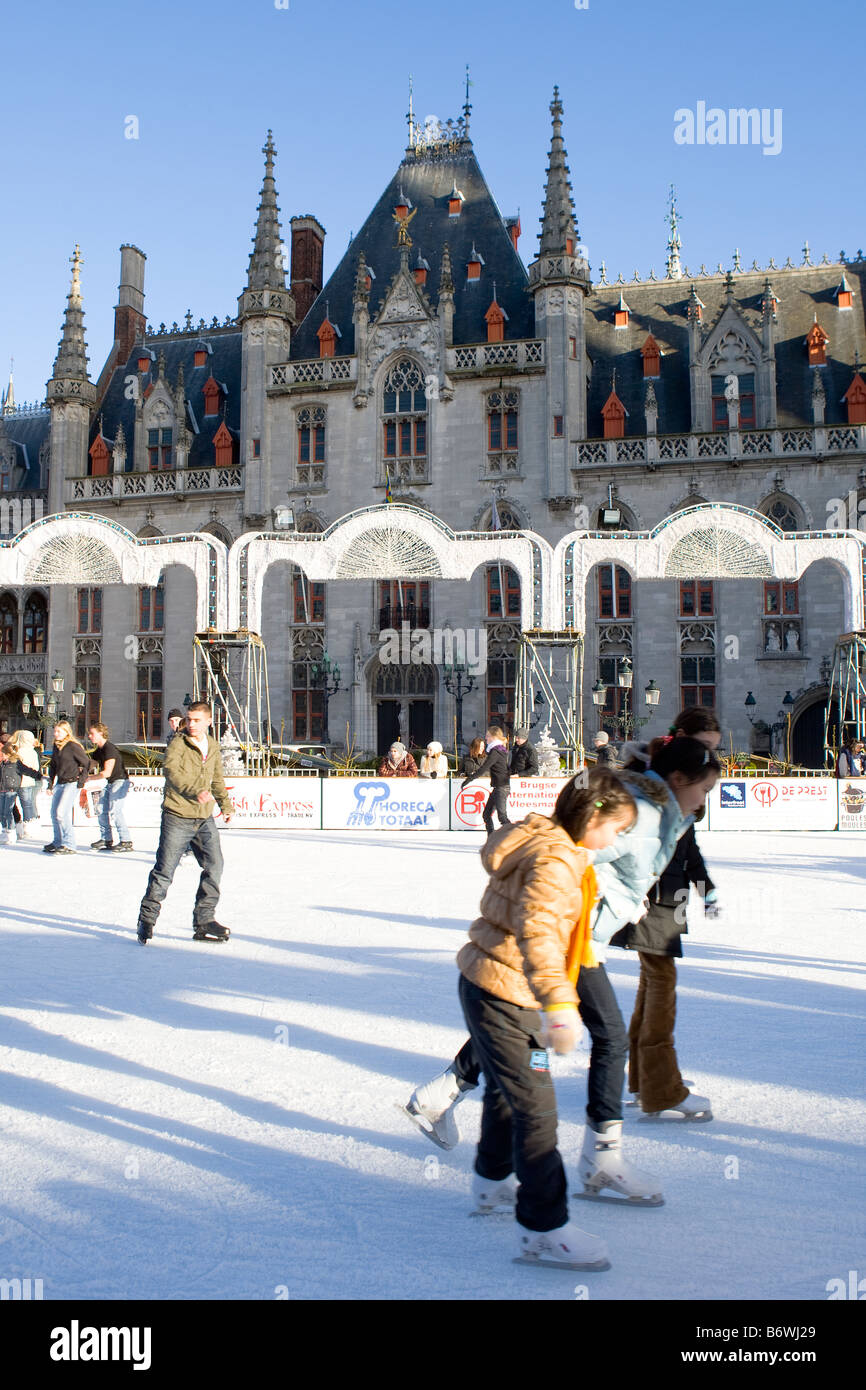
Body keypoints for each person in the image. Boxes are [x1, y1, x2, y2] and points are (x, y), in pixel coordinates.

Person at [404, 737, 720, 1201]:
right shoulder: (645, 813)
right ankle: (597, 1162)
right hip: (572, 937)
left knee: (519, 1026)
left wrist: (627, 902)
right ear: (677, 781)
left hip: (581, 931)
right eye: (704, 790)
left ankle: (464, 1128)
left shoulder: (661, 806)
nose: (705, 800)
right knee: (601, 1033)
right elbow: (578, 849)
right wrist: (591, 908)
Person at [456, 768, 637, 1268]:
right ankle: (543, 1228)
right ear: (591, 817)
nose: (616, 840)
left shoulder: (550, 839)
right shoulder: (558, 861)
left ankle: (492, 1182)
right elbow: (539, 934)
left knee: (509, 1093)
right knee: (536, 1108)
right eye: (616, 829)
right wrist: (560, 1003)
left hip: (497, 987)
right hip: (506, 994)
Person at [612, 708, 722, 1121]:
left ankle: (645, 1080)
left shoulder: (676, 786)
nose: (711, 756)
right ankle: (661, 1088)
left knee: (653, 988)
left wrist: (705, 889)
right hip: (653, 902)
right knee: (661, 992)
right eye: (705, 747)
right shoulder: (661, 791)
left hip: (663, 898)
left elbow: (687, 848)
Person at [137, 701, 234, 944]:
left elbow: (217, 778)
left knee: (215, 866)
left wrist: (226, 804)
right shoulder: (178, 743)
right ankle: (147, 919)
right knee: (165, 871)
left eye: (196, 720)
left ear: (209, 721)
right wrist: (194, 790)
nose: (190, 724)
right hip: (177, 815)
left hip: (203, 818)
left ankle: (204, 920)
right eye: (189, 719)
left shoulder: (212, 745)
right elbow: (171, 771)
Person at [44, 721, 90, 854]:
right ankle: (58, 842)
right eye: (55, 731)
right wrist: (50, 784)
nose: (55, 734)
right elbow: (53, 766)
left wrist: (81, 781)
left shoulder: (73, 746)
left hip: (71, 782)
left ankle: (69, 844)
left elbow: (87, 763)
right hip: (61, 783)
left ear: (66, 732)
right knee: (54, 813)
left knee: (61, 813)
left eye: (59, 731)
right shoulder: (56, 746)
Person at [88, 722, 133, 852]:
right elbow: (91, 764)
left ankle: (126, 841)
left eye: (92, 734)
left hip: (120, 781)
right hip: (110, 782)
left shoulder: (109, 749)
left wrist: (89, 778)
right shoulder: (99, 750)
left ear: (101, 733)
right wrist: (80, 771)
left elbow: (106, 772)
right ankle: (106, 839)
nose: (90, 736)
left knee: (115, 810)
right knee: (101, 809)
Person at [461, 726, 511, 836]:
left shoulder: (496, 751)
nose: (486, 738)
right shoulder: (499, 750)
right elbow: (507, 768)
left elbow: (483, 768)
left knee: (502, 817)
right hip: (499, 787)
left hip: (501, 788)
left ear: (493, 737)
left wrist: (468, 780)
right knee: (486, 814)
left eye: (488, 736)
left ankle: (514, 840)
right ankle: (491, 840)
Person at [7, 729, 41, 839]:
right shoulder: (33, 752)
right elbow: (36, 767)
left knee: (13, 804)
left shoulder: (18, 751)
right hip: (29, 781)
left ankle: (18, 825)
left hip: (17, 781)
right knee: (28, 804)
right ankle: (28, 826)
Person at [0, 740, 22, 845]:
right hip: (2, 790)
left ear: (9, 754)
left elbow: (27, 770)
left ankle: (11, 832)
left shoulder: (16, 764)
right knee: (1, 812)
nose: (2, 755)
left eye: (3, 753)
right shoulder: (2, 764)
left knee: (8, 812)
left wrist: (38, 776)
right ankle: (4, 830)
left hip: (11, 790)